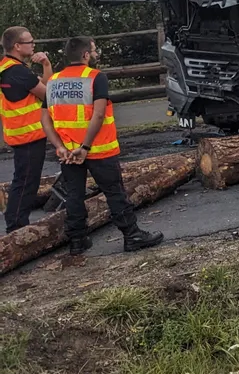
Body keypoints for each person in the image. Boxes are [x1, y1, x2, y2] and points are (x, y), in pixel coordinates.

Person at [40, 37, 163, 254]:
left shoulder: (54, 81)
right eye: (94, 51)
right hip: (97, 149)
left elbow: (45, 119)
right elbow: (97, 115)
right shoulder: (96, 78)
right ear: (85, 55)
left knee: (74, 196)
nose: (96, 55)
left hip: (68, 151)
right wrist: (85, 147)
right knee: (115, 192)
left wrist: (59, 147)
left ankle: (77, 241)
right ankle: (132, 235)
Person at [1, 26, 52, 233]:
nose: (33, 45)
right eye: (30, 42)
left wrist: (46, 65)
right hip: (28, 134)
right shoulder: (18, 72)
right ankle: (17, 225)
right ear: (17, 46)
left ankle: (16, 220)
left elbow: (42, 86)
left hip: (20, 133)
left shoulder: (8, 67)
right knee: (26, 182)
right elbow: (48, 94)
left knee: (24, 179)